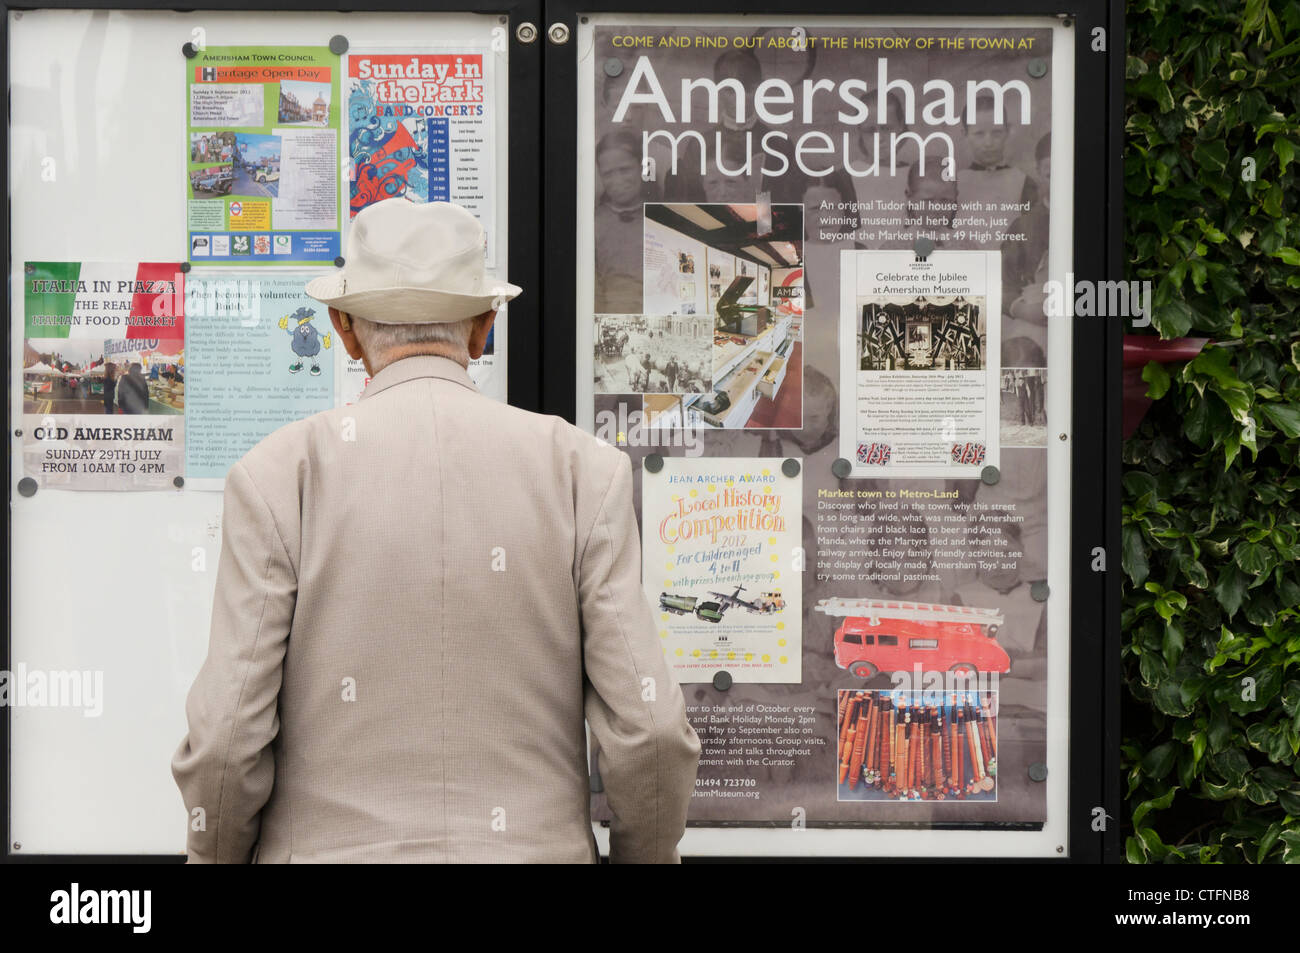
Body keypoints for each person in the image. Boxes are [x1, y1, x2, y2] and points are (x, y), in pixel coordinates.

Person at [171, 200, 700, 864]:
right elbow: (650, 732)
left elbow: (226, 737)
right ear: (484, 326)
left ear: (342, 328)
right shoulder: (580, 470)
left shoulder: (280, 473)